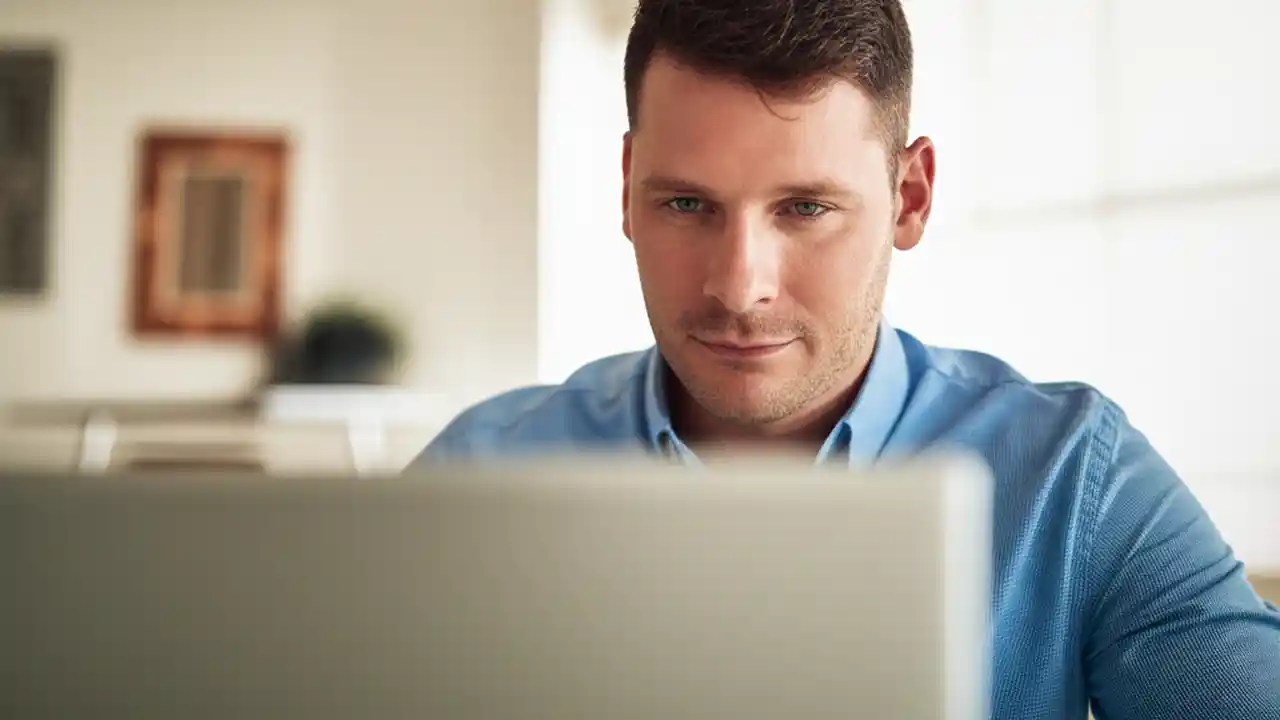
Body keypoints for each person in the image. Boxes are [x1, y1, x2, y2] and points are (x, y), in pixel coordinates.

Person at [417, 1, 1280, 716]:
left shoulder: (1074, 479)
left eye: (803, 208)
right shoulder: (472, 475)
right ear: (626, 190)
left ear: (909, 198)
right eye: (686, 202)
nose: (738, 285)